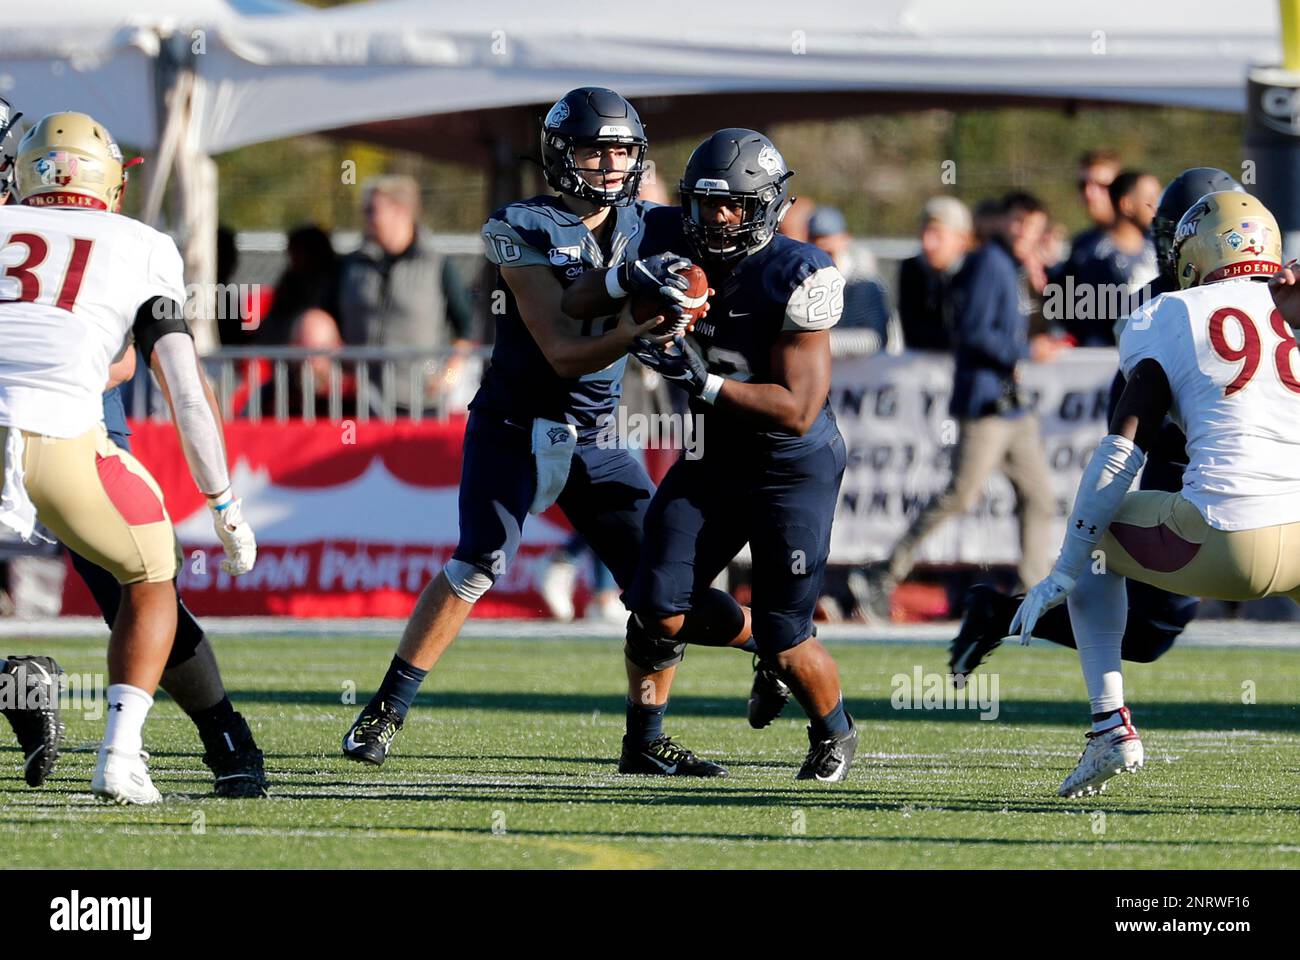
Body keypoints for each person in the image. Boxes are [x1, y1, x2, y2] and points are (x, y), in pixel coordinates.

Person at [340, 88, 756, 777]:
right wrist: (640, 325)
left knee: (663, 590)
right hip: (513, 425)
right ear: (562, 155)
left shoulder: (652, 223)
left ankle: (700, 697)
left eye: (623, 150)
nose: (611, 164)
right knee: (478, 563)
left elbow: (734, 253)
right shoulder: (522, 224)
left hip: (593, 433)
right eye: (597, 149)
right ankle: (384, 709)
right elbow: (562, 348)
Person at [565, 129, 857, 780]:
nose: (720, 218)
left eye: (737, 206)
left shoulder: (798, 272)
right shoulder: (663, 234)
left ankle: (833, 729)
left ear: (769, 207)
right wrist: (627, 277)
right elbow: (574, 300)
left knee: (788, 635)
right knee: (656, 603)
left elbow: (797, 407)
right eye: (708, 203)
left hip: (792, 464)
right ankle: (644, 739)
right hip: (715, 454)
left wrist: (702, 381)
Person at [0, 112, 257, 804]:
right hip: (62, 436)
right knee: (148, 575)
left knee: (131, 590)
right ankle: (119, 752)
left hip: (72, 415)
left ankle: (220, 735)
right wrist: (224, 503)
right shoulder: (137, 244)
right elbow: (184, 390)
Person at [1012, 191, 1300, 798]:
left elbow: (1122, 450)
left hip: (1230, 539)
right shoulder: (1289, 308)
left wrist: (1063, 566)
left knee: (1094, 536)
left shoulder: (1167, 313)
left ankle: (1109, 728)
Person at [948, 168, 1243, 680]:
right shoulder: (1159, 310)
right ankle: (1104, 723)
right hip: (1193, 479)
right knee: (1150, 631)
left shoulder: (1273, 295)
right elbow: (1124, 426)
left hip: (1261, 477)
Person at [852, 192, 1055, 620]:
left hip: (1009, 404)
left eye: (1033, 226)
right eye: (1018, 223)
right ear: (1001, 223)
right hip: (986, 402)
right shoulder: (988, 265)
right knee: (959, 495)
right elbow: (974, 331)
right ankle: (883, 572)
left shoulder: (1009, 267)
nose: (1025, 233)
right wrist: (1022, 350)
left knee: (1037, 497)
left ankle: (1032, 590)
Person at [333, 176, 476, 414]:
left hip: (420, 402)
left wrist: (448, 376)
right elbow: (329, 318)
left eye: (372, 210)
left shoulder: (435, 264)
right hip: (360, 400)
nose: (366, 217)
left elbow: (465, 327)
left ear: (401, 211)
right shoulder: (351, 265)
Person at [1061, 170, 1161, 346]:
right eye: (1151, 198)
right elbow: (1089, 326)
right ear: (1127, 204)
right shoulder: (1096, 257)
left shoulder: (1157, 249)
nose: (1158, 205)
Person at [807, 206, 897, 356]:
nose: (820, 246)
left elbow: (875, 339)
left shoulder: (863, 282)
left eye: (827, 239)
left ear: (845, 239)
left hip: (860, 375)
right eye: (814, 239)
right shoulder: (803, 277)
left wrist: (811, 343)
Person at [896, 196, 971, 352]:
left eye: (938, 234)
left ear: (963, 239)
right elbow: (913, 333)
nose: (927, 243)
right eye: (923, 232)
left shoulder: (978, 273)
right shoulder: (912, 270)